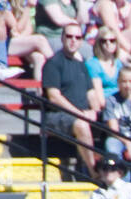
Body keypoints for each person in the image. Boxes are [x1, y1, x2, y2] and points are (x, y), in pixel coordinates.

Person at [42, 22, 100, 177]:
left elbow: (91, 93)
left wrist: (94, 111)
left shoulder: (82, 65)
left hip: (80, 114)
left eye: (77, 37)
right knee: (81, 124)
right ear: (62, 38)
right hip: (57, 115)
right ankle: (94, 173)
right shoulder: (53, 63)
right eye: (69, 36)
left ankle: (114, 172)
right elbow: (54, 97)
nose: (73, 40)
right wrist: (80, 113)